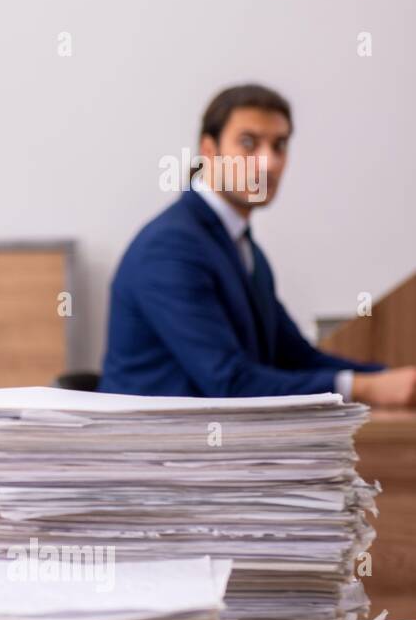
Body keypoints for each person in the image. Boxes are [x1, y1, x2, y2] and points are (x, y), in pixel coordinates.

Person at [101, 83, 416, 404]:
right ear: (209, 151)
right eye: (249, 143)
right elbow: (229, 382)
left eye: (279, 145)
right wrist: (365, 388)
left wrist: (389, 378)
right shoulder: (170, 248)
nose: (269, 162)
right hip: (160, 449)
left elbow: (294, 357)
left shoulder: (242, 247)